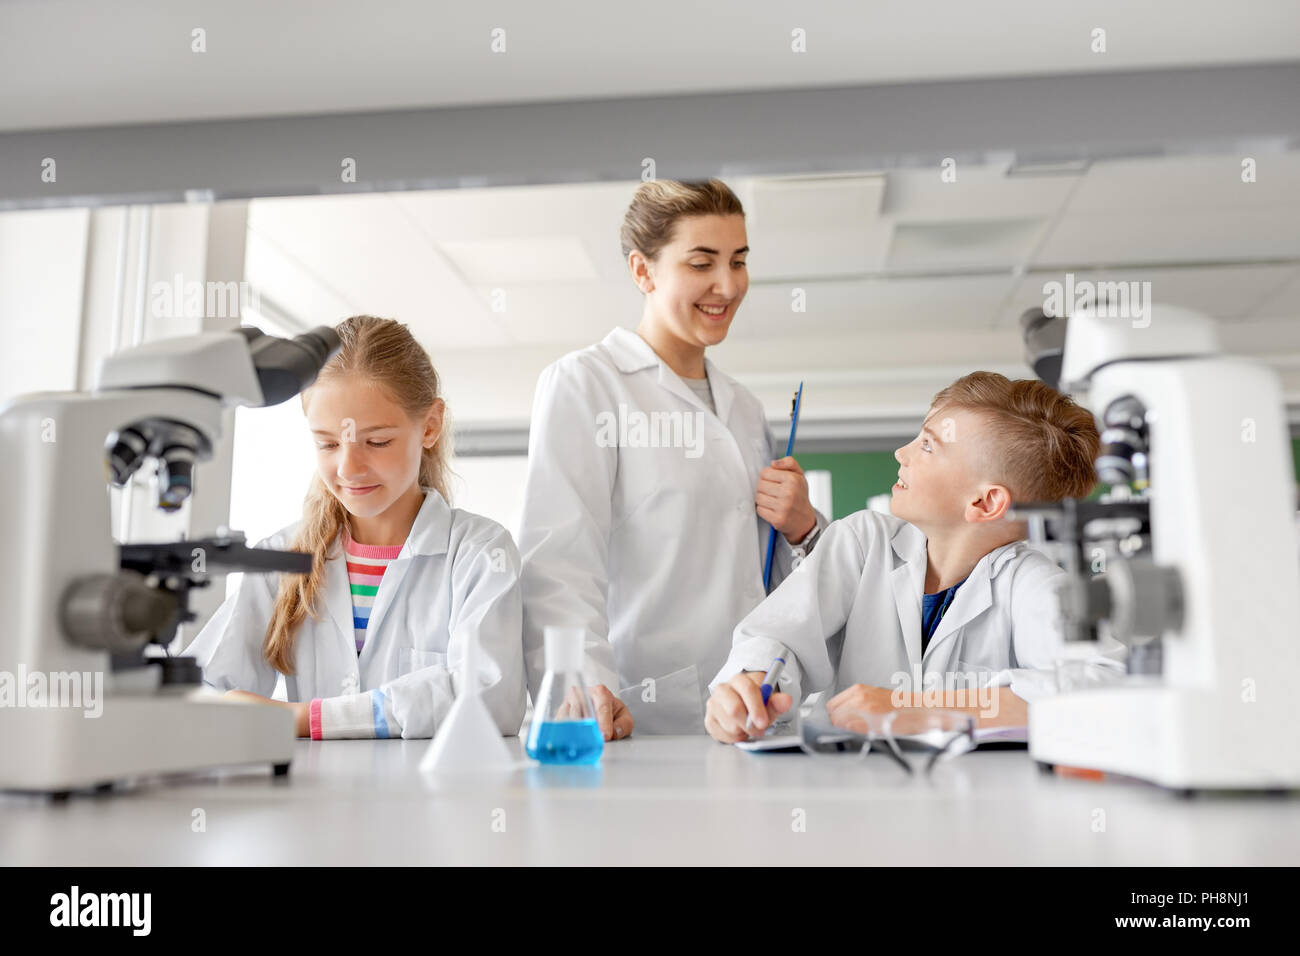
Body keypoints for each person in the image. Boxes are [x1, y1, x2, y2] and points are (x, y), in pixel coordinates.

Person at [518, 179, 828, 737]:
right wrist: (585, 686)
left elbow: (760, 577)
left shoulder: (744, 408)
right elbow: (558, 564)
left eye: (738, 261)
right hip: (641, 710)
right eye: (702, 262)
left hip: (750, 709)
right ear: (643, 271)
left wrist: (800, 527)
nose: (727, 284)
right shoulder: (587, 384)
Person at [705, 371, 1126, 743]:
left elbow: (1107, 687)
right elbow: (778, 639)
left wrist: (917, 711)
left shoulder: (1030, 582)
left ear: (983, 502)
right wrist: (748, 685)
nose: (901, 453)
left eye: (927, 445)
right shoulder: (863, 541)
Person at [186, 315, 526, 739]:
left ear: (431, 426)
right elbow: (198, 693)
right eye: (328, 443)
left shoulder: (479, 553)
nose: (349, 467)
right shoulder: (284, 556)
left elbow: (490, 698)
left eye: (377, 441)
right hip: (311, 803)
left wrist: (305, 719)